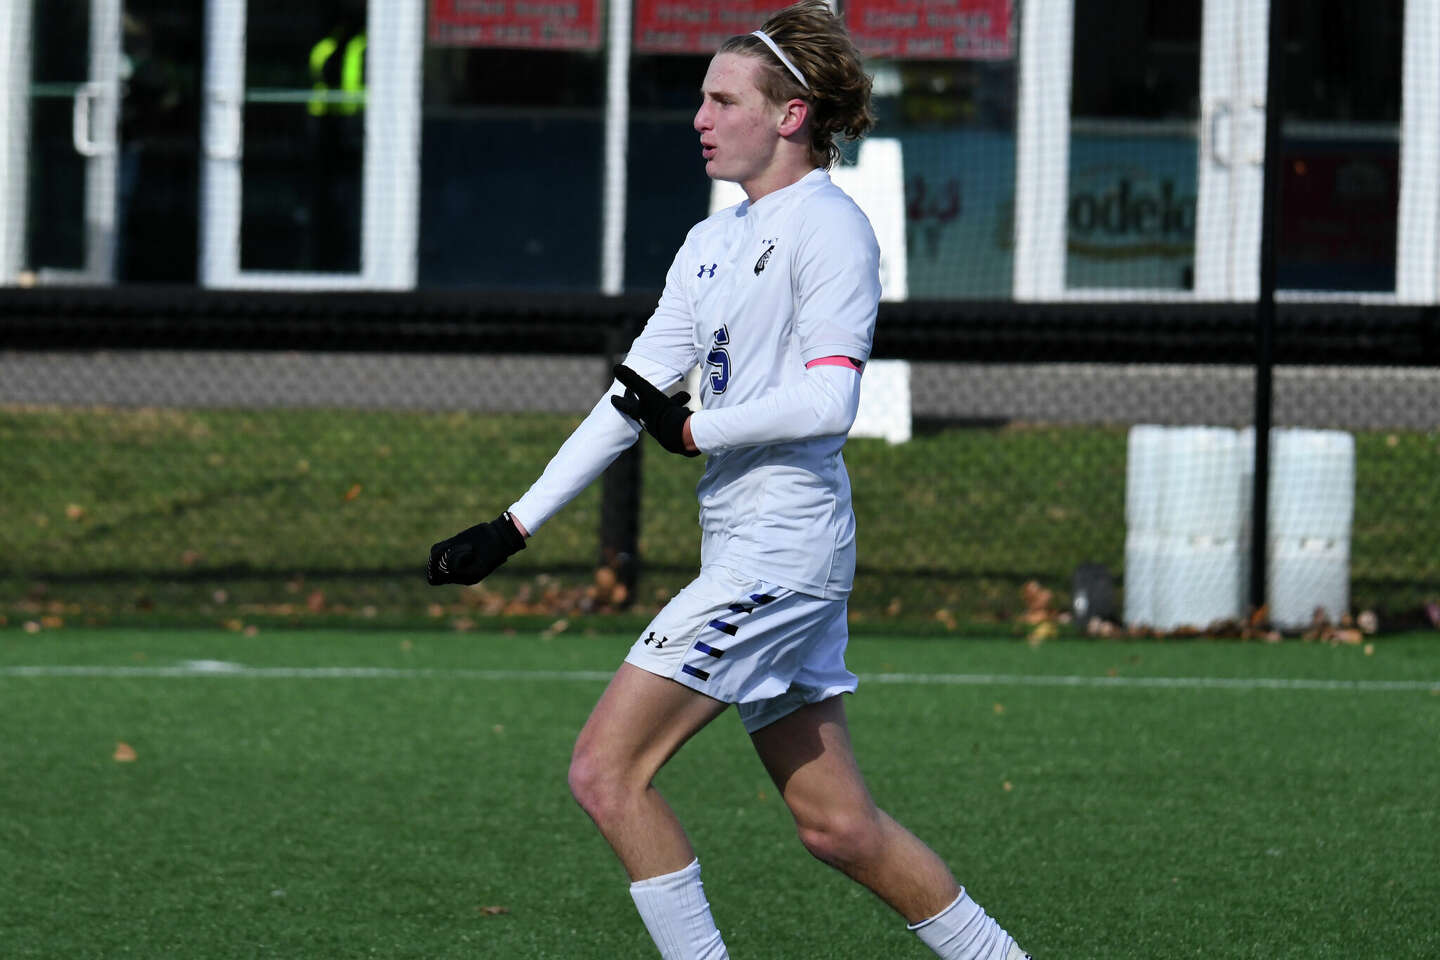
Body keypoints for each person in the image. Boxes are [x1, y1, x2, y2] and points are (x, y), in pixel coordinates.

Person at [427, 3, 1031, 957]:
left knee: (604, 773)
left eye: (721, 99)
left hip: (782, 554)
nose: (700, 117)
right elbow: (632, 398)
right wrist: (514, 525)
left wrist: (699, 427)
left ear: (789, 115)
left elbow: (831, 402)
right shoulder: (710, 242)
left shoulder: (832, 227)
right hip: (753, 549)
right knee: (838, 827)